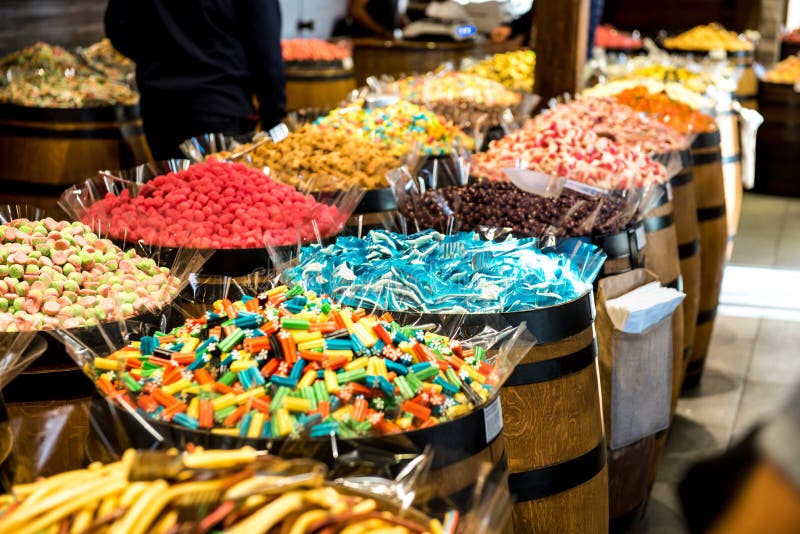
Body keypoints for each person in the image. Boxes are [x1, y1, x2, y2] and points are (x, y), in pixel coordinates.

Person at [105, 0, 286, 160]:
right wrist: (274, 121)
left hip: (161, 109)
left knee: (171, 194)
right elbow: (267, 50)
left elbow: (118, 26)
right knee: (225, 195)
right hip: (222, 104)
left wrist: (156, 59)